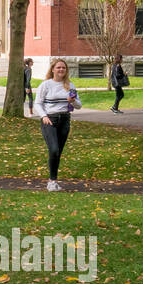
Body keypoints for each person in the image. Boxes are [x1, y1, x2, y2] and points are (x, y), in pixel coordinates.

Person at [35, 59, 81, 192]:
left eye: (63, 68)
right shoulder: (46, 85)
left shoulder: (70, 85)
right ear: (53, 69)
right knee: (54, 149)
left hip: (65, 120)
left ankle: (53, 180)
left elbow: (79, 105)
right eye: (58, 67)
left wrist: (72, 101)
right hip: (50, 120)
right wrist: (43, 116)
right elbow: (38, 103)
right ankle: (52, 181)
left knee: (57, 152)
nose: (61, 70)